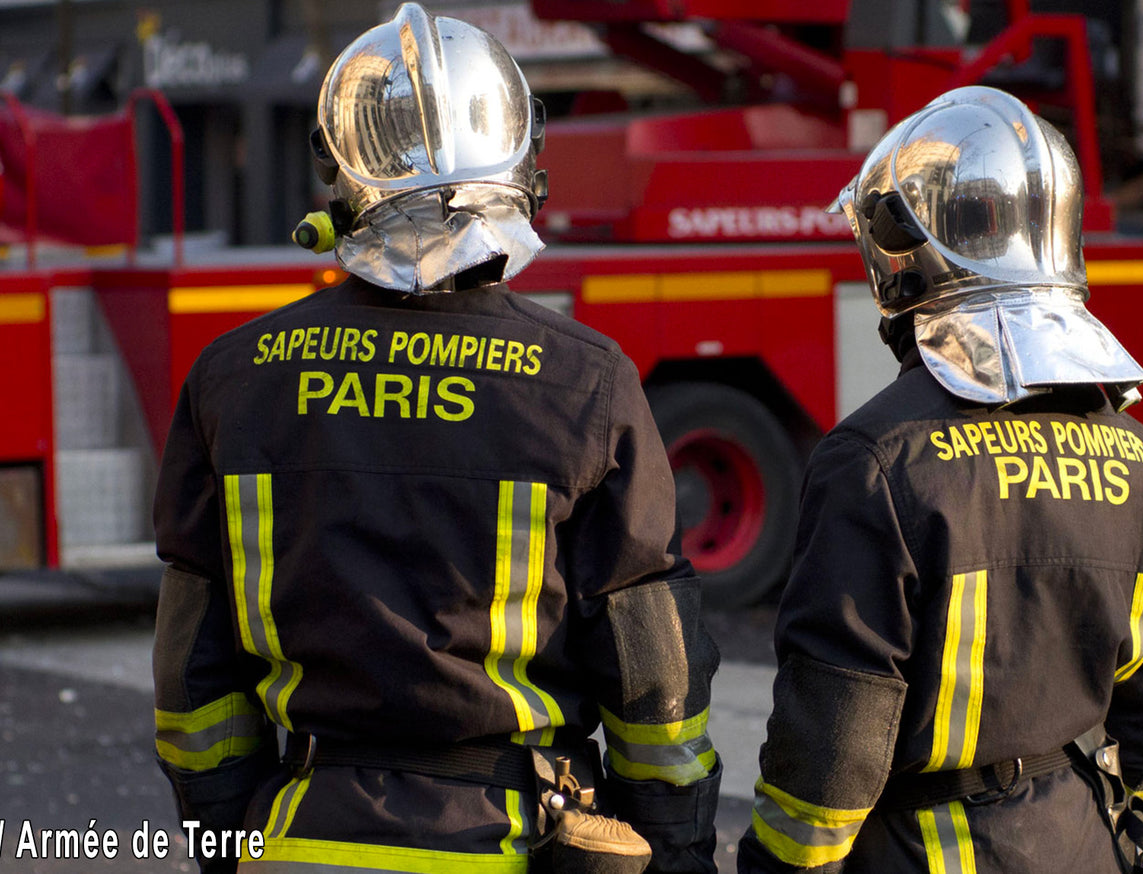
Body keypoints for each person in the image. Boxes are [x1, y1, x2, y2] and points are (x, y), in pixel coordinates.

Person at [151, 6, 720, 872]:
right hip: (515, 841)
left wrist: (229, 838)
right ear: (522, 169)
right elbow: (653, 683)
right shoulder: (584, 383)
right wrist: (672, 852)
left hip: (299, 840)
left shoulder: (236, 377)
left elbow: (193, 680)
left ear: (341, 179)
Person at [737, 86, 1143, 874]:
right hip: (1085, 845)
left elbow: (835, 745)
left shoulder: (878, 459)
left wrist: (778, 866)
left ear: (904, 252)